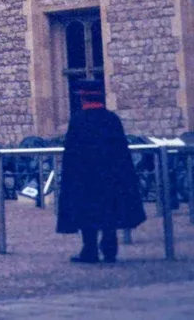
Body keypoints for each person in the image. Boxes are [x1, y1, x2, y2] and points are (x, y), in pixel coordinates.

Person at [56, 86, 147, 264]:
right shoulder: (112, 119)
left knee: (86, 213)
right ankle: (110, 248)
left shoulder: (78, 120)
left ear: (83, 99)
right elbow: (122, 152)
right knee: (109, 211)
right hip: (110, 177)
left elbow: (72, 153)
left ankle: (89, 249)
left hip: (85, 178)